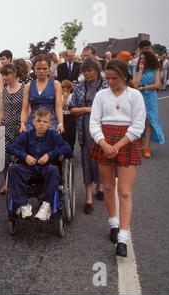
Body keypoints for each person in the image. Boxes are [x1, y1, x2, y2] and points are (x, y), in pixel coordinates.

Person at [90, 59, 146, 257]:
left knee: (124, 192)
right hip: (104, 141)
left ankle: (123, 236)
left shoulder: (136, 95)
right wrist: (104, 144)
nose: (111, 81)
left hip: (126, 141)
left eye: (115, 78)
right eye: (108, 78)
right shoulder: (100, 96)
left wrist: (118, 145)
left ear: (124, 75)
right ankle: (113, 223)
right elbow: (94, 123)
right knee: (107, 187)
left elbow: (138, 125)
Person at [7, 108, 71, 221]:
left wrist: (49, 155)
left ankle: (46, 206)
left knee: (53, 169)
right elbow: (11, 148)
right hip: (29, 169)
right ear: (34, 122)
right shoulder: (26, 135)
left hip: (46, 170)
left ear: (50, 124)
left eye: (45, 122)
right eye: (39, 121)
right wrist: (25, 156)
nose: (41, 124)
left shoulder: (53, 136)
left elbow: (67, 148)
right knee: (13, 169)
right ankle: (23, 205)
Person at [69, 58, 108, 214]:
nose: (87, 73)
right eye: (84, 71)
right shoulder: (79, 87)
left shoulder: (106, 85)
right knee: (87, 159)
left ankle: (99, 187)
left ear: (97, 70)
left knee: (101, 159)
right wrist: (87, 109)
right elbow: (71, 109)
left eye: (90, 70)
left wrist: (94, 110)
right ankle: (88, 197)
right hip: (84, 127)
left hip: (104, 127)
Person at [132, 51, 165, 158]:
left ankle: (147, 148)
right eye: (140, 58)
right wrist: (140, 70)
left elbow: (157, 85)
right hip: (138, 98)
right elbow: (135, 85)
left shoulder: (156, 69)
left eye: (144, 58)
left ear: (149, 59)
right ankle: (140, 141)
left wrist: (143, 88)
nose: (142, 60)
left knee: (148, 123)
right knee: (137, 121)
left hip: (150, 98)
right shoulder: (135, 69)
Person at [21, 54, 64, 134]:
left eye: (44, 68)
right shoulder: (28, 86)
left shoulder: (56, 84)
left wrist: (60, 123)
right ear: (34, 69)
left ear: (49, 69)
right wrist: (23, 123)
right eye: (38, 68)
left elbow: (58, 106)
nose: (41, 71)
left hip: (51, 122)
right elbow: (25, 108)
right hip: (32, 122)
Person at [0, 64, 25, 195]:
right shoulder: (3, 89)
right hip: (6, 126)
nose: (4, 77)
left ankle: (20, 183)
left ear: (14, 74)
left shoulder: (24, 88)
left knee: (20, 156)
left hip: (20, 127)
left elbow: (27, 108)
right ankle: (7, 183)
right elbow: (1, 109)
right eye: (3, 75)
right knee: (6, 156)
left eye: (7, 74)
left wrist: (24, 124)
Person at [61, 79, 76, 156]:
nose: (65, 90)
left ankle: (71, 149)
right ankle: (64, 150)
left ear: (70, 89)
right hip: (63, 116)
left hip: (70, 117)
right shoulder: (60, 97)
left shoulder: (73, 96)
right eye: (63, 88)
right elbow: (60, 107)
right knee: (63, 134)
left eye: (67, 88)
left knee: (71, 134)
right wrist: (64, 98)